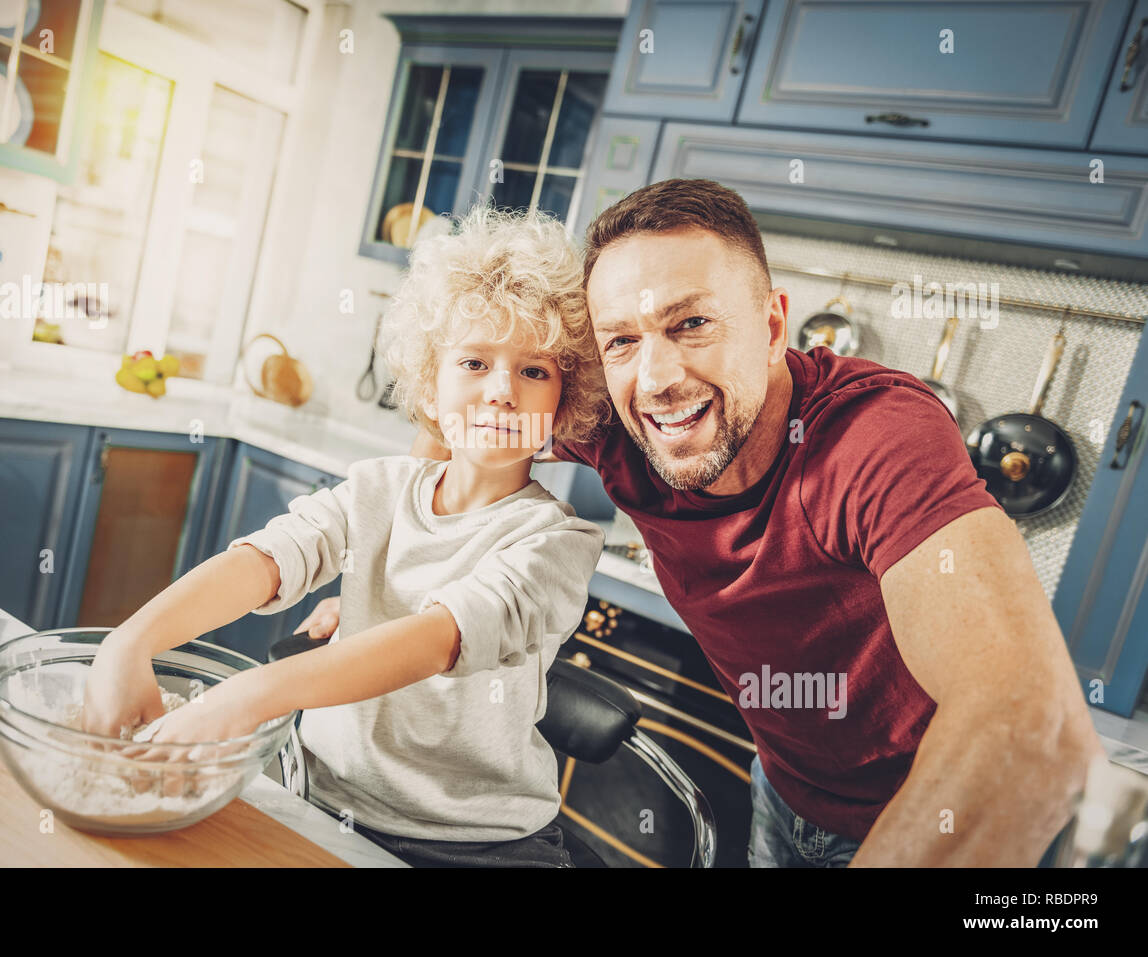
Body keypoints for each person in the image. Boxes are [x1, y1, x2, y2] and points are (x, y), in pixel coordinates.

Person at [306, 178, 1106, 867]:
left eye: (691, 323)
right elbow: (464, 423)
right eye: (622, 339)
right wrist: (398, 573)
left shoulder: (874, 436)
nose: (658, 377)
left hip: (954, 822)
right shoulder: (621, 417)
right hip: (784, 792)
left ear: (770, 324)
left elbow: (1030, 729)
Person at [81, 205, 610, 867]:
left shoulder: (556, 543)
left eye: (534, 371)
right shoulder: (378, 488)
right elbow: (273, 556)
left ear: (565, 399)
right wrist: (131, 640)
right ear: (430, 381)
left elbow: (436, 639)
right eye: (474, 361)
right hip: (315, 798)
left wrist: (249, 695)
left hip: (473, 846)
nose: (502, 390)